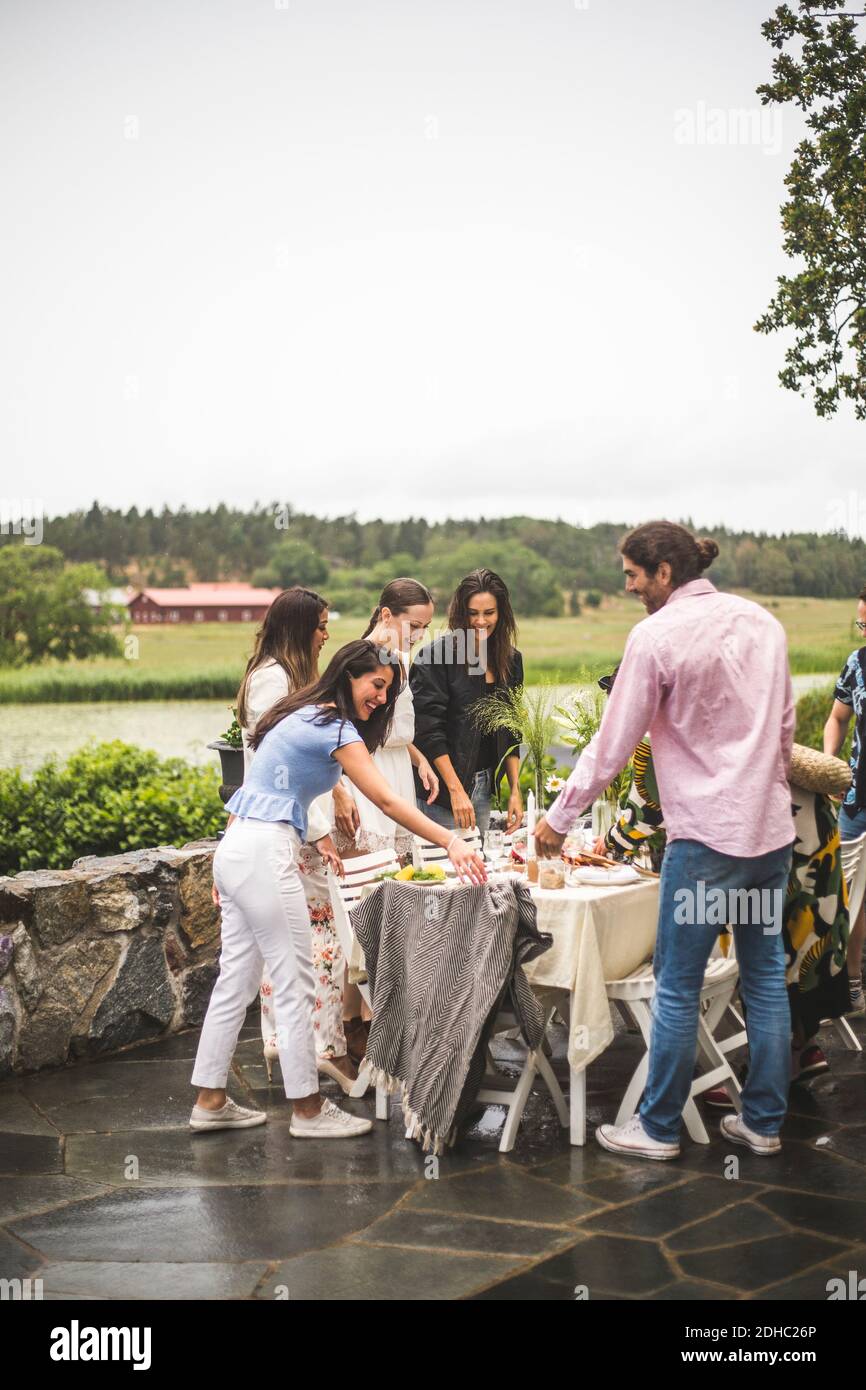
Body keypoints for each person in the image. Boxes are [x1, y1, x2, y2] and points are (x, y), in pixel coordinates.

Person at [534, 521, 795, 1160]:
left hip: (706, 844)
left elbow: (614, 746)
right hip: (769, 839)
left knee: (677, 986)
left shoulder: (655, 637)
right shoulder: (764, 624)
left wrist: (557, 819)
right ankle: (763, 1124)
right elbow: (784, 730)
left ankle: (655, 1130)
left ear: (664, 573)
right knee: (764, 980)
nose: (627, 587)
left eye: (632, 575)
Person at [190, 640, 487, 1140]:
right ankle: (307, 1110)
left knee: (234, 982)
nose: (380, 697)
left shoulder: (301, 713)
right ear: (349, 675)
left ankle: (210, 1100)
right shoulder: (334, 726)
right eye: (375, 685)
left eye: (388, 691)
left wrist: (238, 865)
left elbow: (259, 788)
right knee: (296, 980)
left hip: (239, 848)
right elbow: (389, 801)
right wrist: (450, 840)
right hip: (264, 852)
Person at [235, 586, 354, 1092]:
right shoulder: (272, 682)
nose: (327, 634)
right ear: (299, 628)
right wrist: (322, 831)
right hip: (287, 830)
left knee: (291, 941)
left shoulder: (281, 676)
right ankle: (320, 1049)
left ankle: (281, 1041)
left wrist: (340, 787)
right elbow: (285, 766)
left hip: (291, 826)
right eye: (321, 625)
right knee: (322, 940)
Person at [330, 578, 439, 1069]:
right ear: (385, 614)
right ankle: (356, 1020)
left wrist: (419, 758)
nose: (417, 635)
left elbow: (397, 724)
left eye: (425, 628)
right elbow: (353, 729)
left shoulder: (399, 662)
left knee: (387, 891)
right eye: (413, 625)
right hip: (368, 775)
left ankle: (374, 1016)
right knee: (365, 898)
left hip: (397, 770)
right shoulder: (365, 661)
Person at [410, 568, 524, 845]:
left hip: (483, 783)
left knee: (479, 872)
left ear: (502, 612)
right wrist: (456, 791)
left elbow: (510, 728)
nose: (481, 621)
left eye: (489, 613)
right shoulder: (435, 657)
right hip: (441, 789)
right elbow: (428, 731)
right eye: (473, 613)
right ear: (461, 613)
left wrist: (515, 791)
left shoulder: (510, 659)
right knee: (445, 876)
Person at [823, 584, 866, 1018]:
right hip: (856, 801)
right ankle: (851, 984)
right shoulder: (857, 663)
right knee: (850, 896)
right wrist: (830, 766)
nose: (865, 631)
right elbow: (837, 718)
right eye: (861, 623)